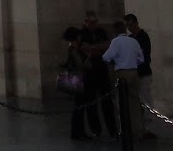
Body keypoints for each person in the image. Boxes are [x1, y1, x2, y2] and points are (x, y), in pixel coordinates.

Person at [75, 10, 117, 138]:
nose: (94, 24)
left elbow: (107, 46)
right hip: (89, 72)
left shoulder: (101, 32)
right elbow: (85, 50)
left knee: (107, 101)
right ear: (86, 22)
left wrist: (92, 48)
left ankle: (112, 129)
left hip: (102, 69)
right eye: (91, 22)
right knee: (91, 102)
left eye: (95, 22)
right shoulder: (81, 34)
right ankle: (96, 129)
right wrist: (98, 49)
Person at [103, 20, 147, 139]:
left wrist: (117, 60)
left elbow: (106, 57)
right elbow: (141, 59)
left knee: (121, 103)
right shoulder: (133, 41)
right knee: (135, 104)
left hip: (122, 73)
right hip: (134, 72)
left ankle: (125, 131)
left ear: (115, 31)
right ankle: (138, 131)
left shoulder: (116, 42)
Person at [124, 13, 157, 139]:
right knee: (137, 102)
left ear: (136, 23)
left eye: (131, 24)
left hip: (143, 73)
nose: (129, 27)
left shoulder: (143, 36)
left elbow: (142, 55)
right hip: (134, 73)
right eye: (127, 25)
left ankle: (148, 128)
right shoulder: (131, 37)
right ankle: (140, 127)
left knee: (146, 100)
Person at [60, 27, 91, 140]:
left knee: (78, 106)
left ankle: (78, 132)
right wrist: (88, 57)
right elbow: (81, 65)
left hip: (76, 78)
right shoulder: (73, 49)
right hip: (79, 79)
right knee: (79, 106)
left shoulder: (71, 48)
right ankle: (78, 132)